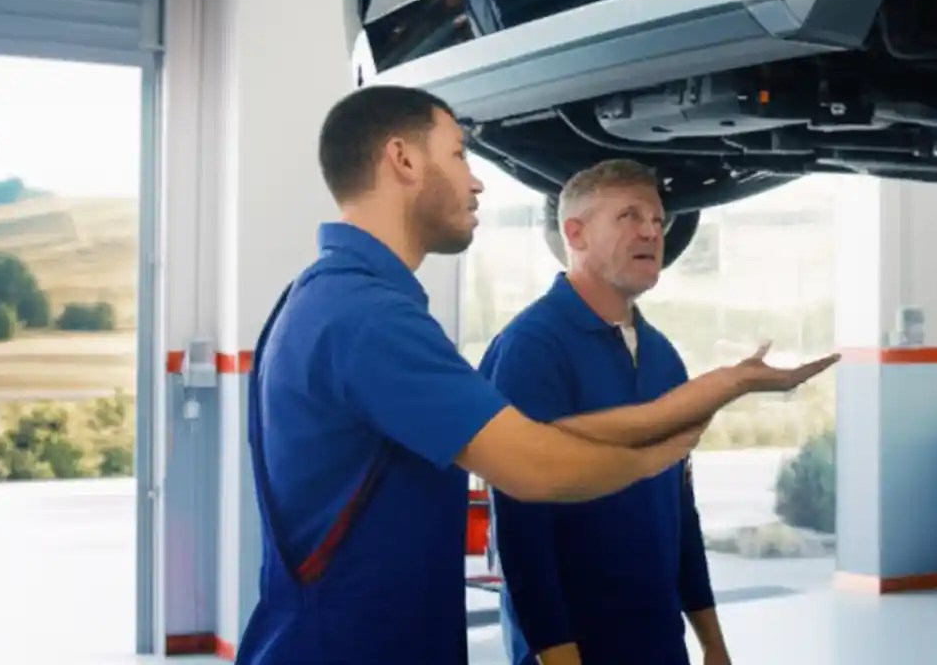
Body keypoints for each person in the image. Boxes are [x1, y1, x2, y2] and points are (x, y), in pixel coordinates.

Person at [233, 85, 839, 665]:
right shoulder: (369, 319)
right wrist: (661, 451)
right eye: (458, 153)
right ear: (403, 159)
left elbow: (551, 437)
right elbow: (536, 467)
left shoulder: (331, 298)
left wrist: (711, 392)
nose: (474, 180)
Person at [480, 159, 745, 665]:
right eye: (629, 216)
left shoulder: (664, 356)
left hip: (659, 647)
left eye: (657, 219)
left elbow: (679, 510)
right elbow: (520, 530)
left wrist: (711, 640)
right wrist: (558, 656)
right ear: (574, 233)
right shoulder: (531, 349)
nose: (651, 230)